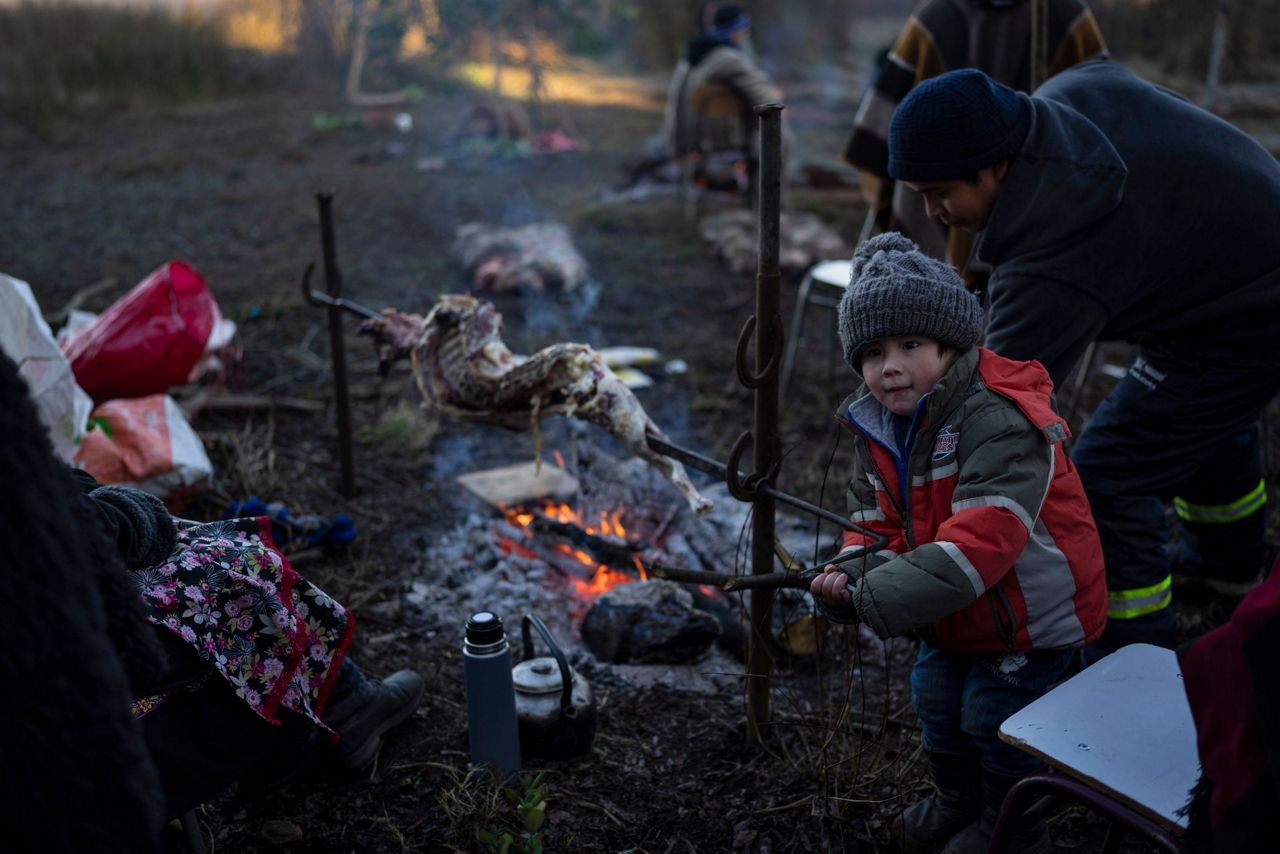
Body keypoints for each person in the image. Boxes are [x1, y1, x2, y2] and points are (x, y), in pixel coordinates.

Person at [885, 63, 1280, 655]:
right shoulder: (1059, 100)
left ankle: (1132, 658)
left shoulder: (1054, 254)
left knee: (1109, 477)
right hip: (1231, 263)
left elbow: (994, 406)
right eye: (921, 197)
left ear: (995, 166)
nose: (935, 211)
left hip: (1254, 309)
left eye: (941, 194)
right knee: (1195, 418)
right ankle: (1227, 567)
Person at [0, 347, 425, 847]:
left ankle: (308, 725)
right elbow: (47, 537)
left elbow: (34, 484)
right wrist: (120, 517)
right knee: (238, 573)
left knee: (201, 554)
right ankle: (321, 720)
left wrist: (83, 495)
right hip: (38, 672)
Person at [809, 232, 1107, 853]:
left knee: (993, 717)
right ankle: (957, 802)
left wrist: (876, 596)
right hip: (953, 609)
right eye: (871, 352)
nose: (888, 366)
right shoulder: (880, 425)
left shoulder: (998, 417)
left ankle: (1014, 826)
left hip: (1028, 617)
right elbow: (877, 526)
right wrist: (849, 573)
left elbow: (983, 544)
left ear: (951, 345)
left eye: (909, 345)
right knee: (937, 702)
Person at [841, 0, 1106, 275]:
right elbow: (881, 141)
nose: (930, 211)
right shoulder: (937, 18)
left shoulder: (1064, 17)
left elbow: (1100, 119)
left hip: (1046, 240)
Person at [660, 4, 780, 166]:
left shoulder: (692, 57)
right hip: (717, 142)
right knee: (782, 138)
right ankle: (761, 190)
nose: (746, 34)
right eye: (744, 28)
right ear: (734, 31)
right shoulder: (728, 59)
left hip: (684, 140)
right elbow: (767, 100)